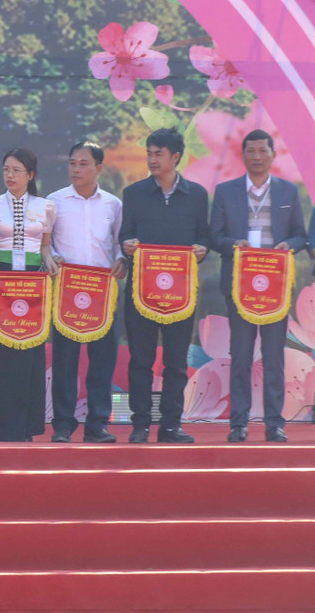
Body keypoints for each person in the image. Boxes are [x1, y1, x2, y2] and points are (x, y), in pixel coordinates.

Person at [209, 129, 307, 443]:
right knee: (240, 356)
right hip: (240, 288)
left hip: (275, 289)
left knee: (274, 357)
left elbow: (300, 236)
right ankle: (238, 424)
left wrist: (286, 246)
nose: (256, 157)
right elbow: (215, 237)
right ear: (244, 155)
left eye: (262, 151)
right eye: (250, 151)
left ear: (272, 154)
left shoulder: (288, 192)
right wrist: (232, 244)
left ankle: (274, 424)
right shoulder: (226, 191)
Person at [119, 127, 210, 444]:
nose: (152, 159)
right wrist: (127, 245)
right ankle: (140, 425)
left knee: (175, 362)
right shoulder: (133, 193)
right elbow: (124, 235)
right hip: (140, 292)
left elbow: (203, 236)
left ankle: (170, 425)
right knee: (141, 361)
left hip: (181, 294)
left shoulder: (197, 194)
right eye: (149, 153)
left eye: (159, 153)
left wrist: (202, 249)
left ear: (175, 156)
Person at [46, 141, 126, 444]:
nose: (76, 169)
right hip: (66, 292)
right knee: (65, 361)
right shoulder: (55, 201)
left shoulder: (113, 204)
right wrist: (52, 256)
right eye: (72, 163)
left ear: (98, 168)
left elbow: (120, 241)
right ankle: (63, 425)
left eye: (82, 164)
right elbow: (46, 242)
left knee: (102, 361)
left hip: (103, 293)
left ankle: (97, 424)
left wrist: (121, 259)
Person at [0, 148, 56, 442]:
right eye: (6, 170)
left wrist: (50, 262)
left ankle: (27, 427)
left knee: (30, 353)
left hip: (33, 283)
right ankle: (1, 426)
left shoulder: (46, 206)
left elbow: (45, 246)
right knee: (2, 354)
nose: (10, 176)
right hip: (1, 280)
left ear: (30, 175)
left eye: (16, 170)